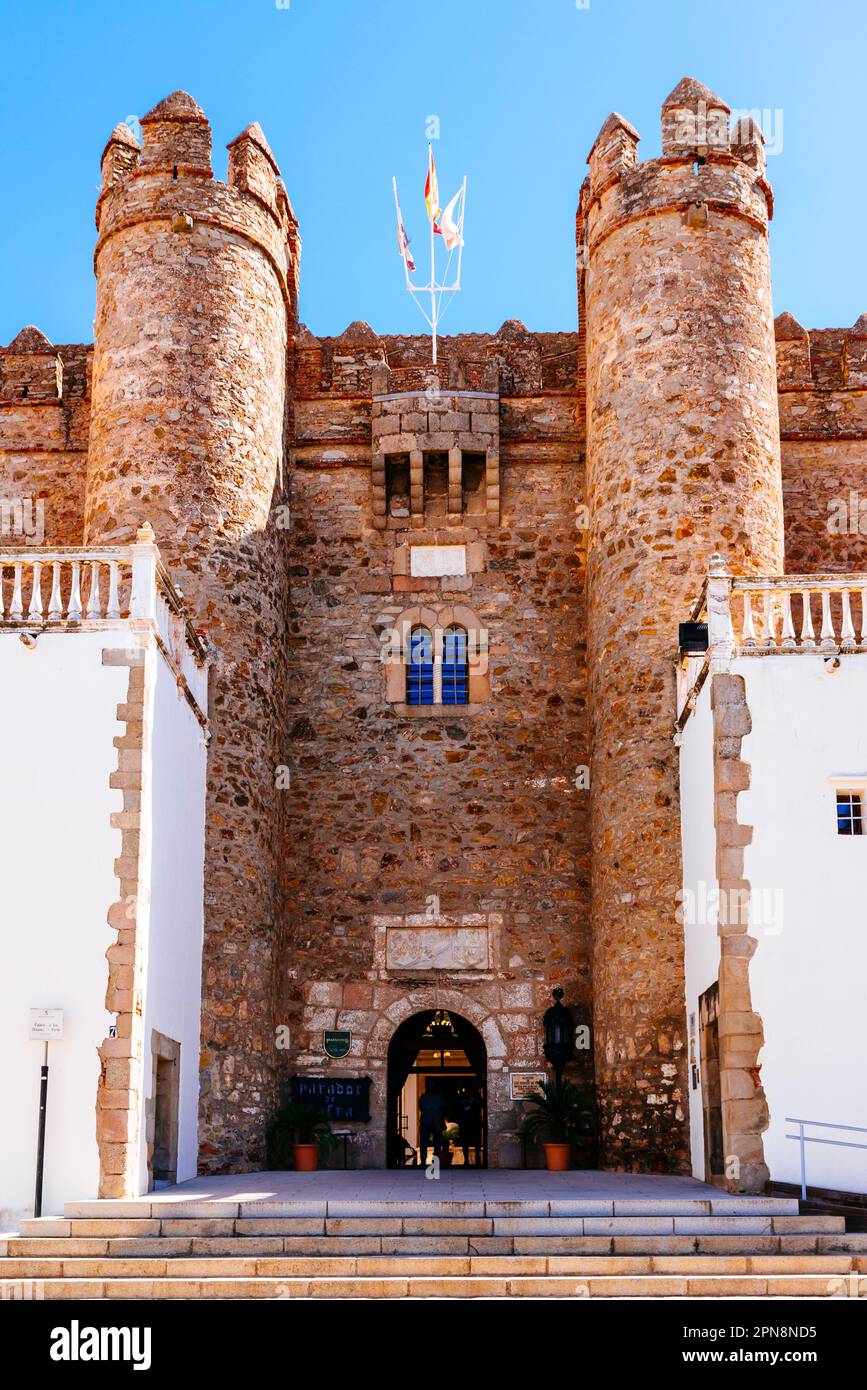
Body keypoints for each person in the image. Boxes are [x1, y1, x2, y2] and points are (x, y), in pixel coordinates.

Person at [417, 1084, 447, 1164]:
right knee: (435, 1142)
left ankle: (425, 1160)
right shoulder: (438, 1097)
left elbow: (421, 1107)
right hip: (431, 1121)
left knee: (426, 1142)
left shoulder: (424, 1097)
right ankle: (432, 1160)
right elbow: (443, 1108)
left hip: (428, 1121)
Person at [456, 1086, 483, 1166]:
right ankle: (467, 1158)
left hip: (473, 1122)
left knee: (474, 1141)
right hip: (466, 1123)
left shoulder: (474, 1098)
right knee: (466, 1141)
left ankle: (476, 1156)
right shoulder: (467, 1099)